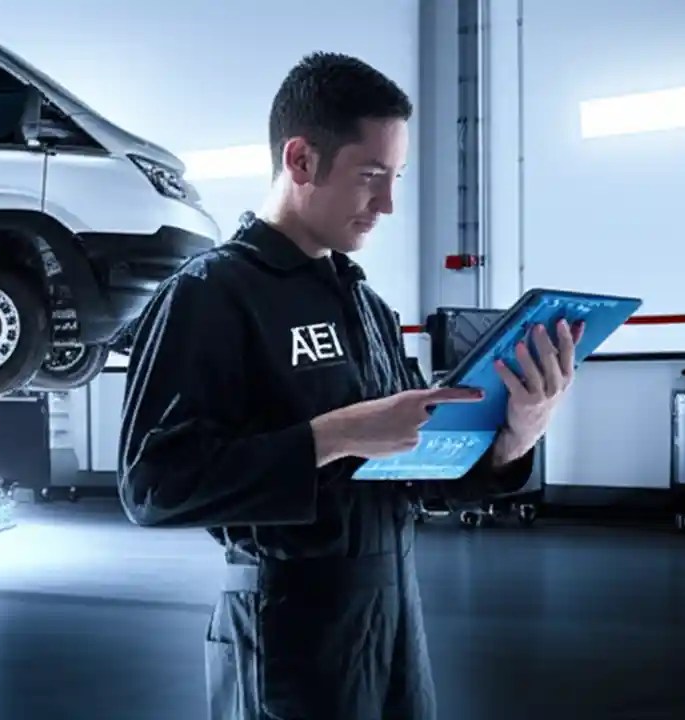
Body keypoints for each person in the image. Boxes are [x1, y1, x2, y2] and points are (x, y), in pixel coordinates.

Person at [116, 52, 583, 720]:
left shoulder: (369, 308)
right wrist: (334, 436)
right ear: (302, 160)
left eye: (395, 178)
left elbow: (418, 473)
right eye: (371, 176)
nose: (388, 204)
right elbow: (152, 484)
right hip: (285, 623)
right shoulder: (209, 294)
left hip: (393, 616)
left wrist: (517, 435)